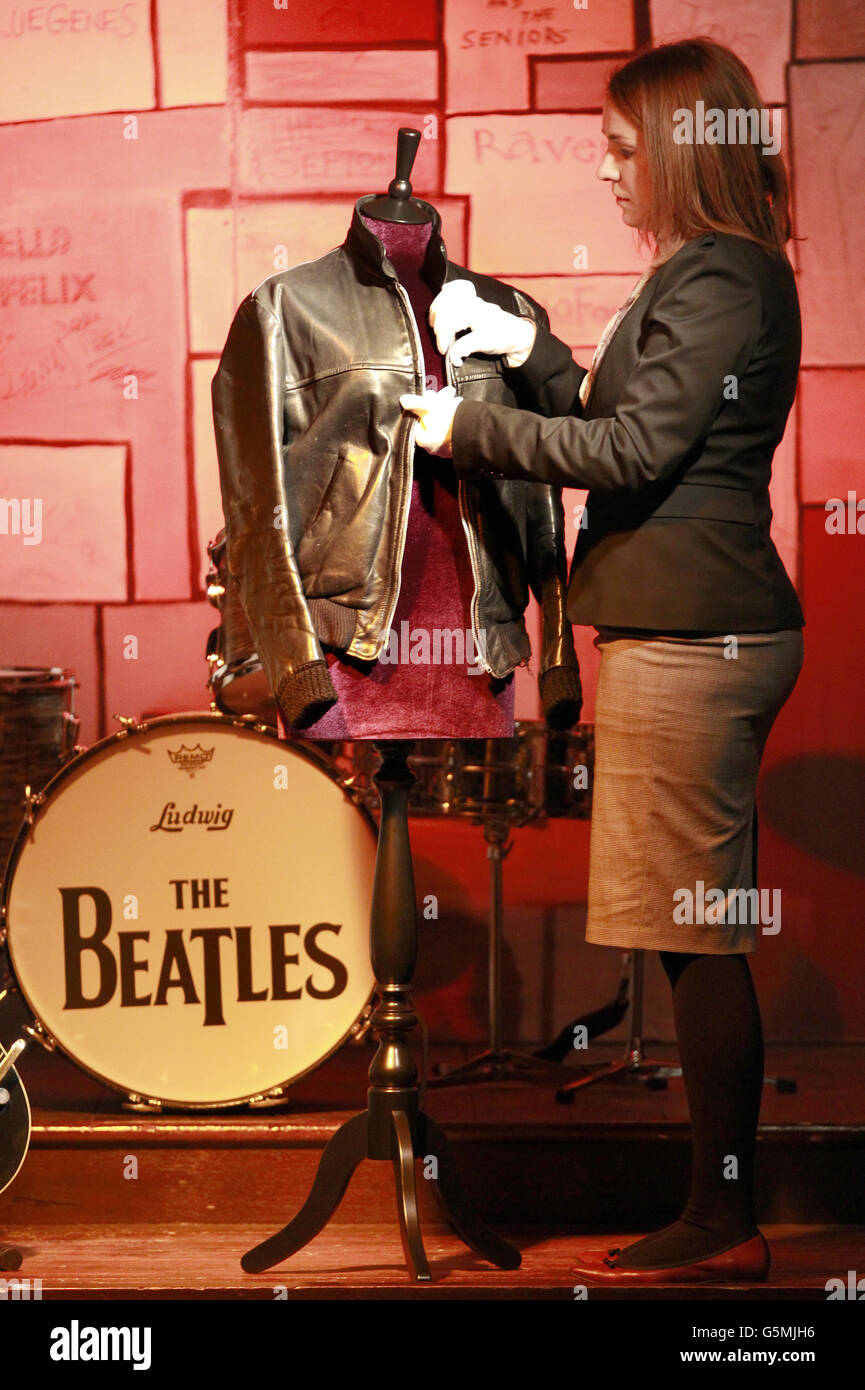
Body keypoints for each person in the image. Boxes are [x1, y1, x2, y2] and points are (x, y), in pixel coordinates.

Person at [401, 37, 805, 1285]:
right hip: (677, 629)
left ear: (685, 147)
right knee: (687, 924)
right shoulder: (695, 276)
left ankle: (723, 1217)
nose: (607, 171)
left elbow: (630, 454)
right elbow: (604, 411)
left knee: (694, 928)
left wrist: (468, 423)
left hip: (697, 633)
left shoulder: (727, 277)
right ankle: (718, 1208)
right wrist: (522, 350)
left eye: (623, 149)